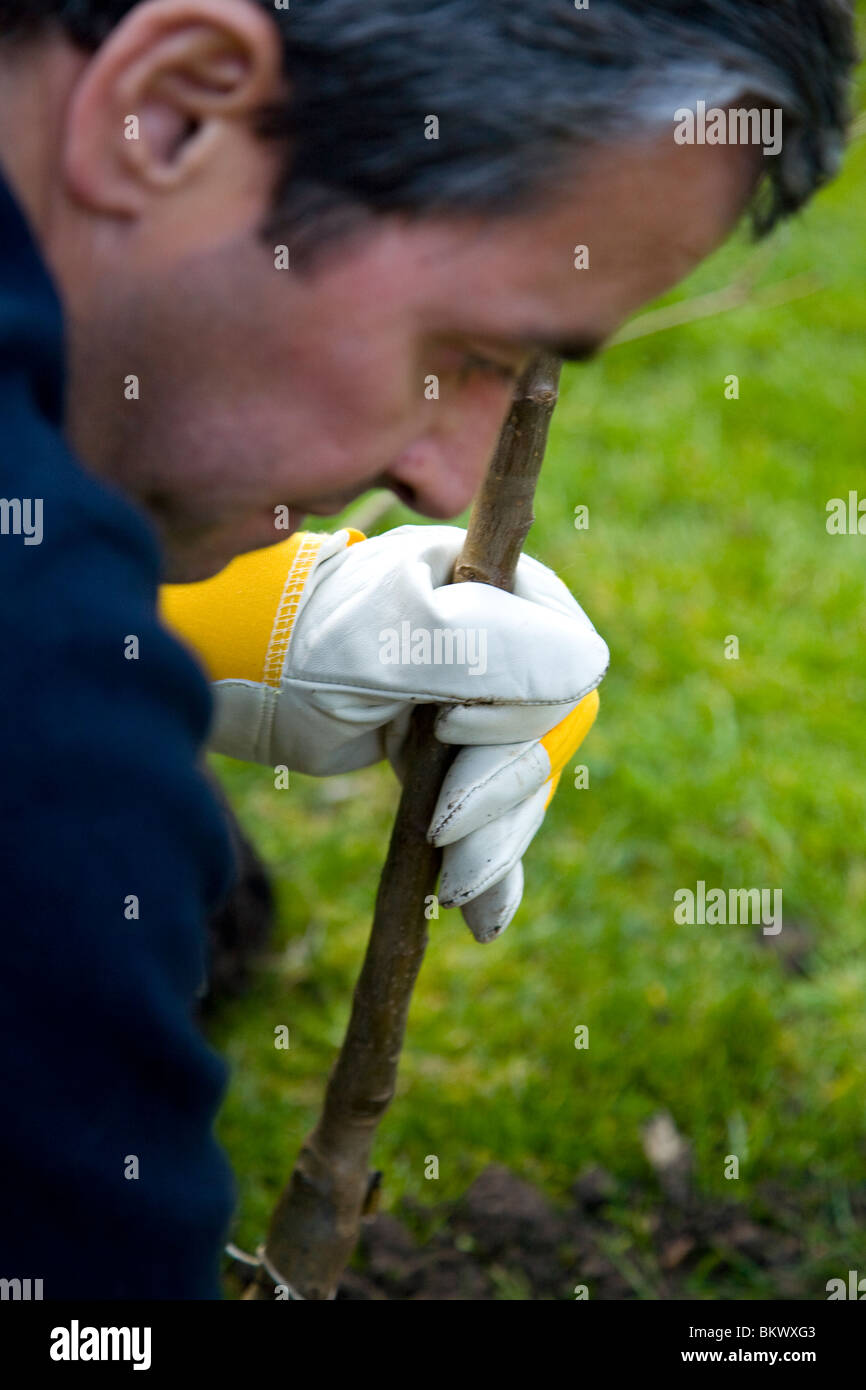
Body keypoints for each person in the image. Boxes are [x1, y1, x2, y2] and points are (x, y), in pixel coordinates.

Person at [0, 0, 855, 1300]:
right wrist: (73, 667)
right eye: (460, 353)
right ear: (167, 113)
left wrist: (239, 624)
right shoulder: (48, 759)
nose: (440, 474)